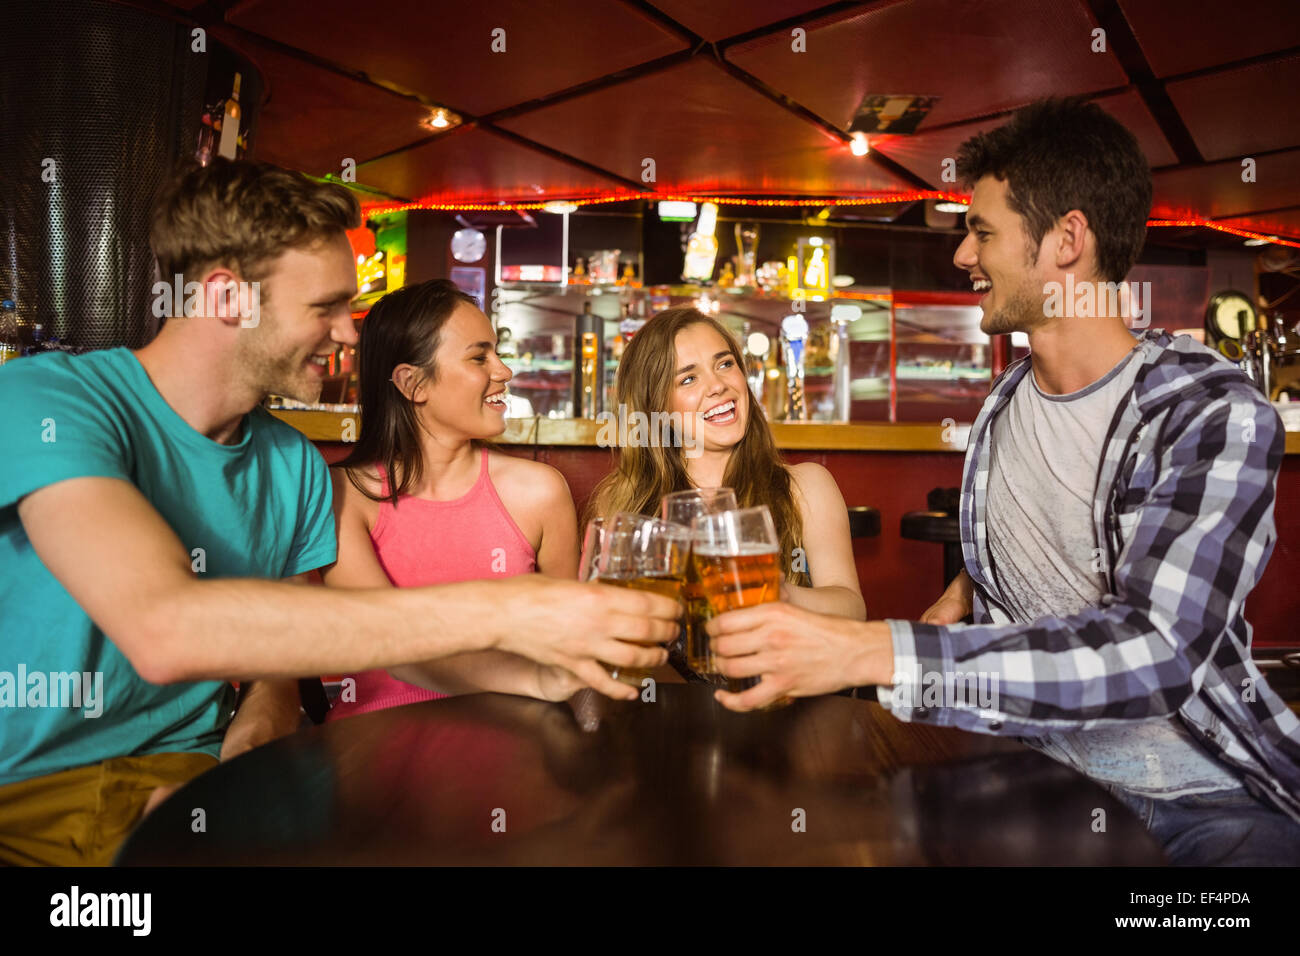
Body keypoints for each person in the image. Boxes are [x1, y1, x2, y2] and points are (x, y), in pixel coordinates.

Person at [0, 159, 676, 866]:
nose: (350, 333)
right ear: (228, 297)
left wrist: (544, 677)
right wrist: (513, 608)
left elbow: (321, 646)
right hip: (25, 794)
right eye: (325, 307)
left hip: (190, 780)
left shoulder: (290, 463)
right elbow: (163, 627)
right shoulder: (50, 402)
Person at [706, 97, 1300, 865]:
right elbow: (1020, 574)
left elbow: (1156, 651)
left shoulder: (1211, 413)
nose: (961, 254)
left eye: (981, 230)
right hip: (1035, 777)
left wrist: (870, 652)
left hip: (1202, 800)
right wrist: (959, 600)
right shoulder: (1001, 407)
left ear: (1068, 241)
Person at [323, 279, 584, 718]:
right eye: (479, 357)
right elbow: (391, 640)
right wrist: (537, 679)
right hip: (375, 745)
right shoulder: (344, 496)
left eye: (496, 354)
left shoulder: (540, 491)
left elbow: (568, 643)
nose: (503, 371)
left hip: (515, 740)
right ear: (412, 384)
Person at [586, 307, 865, 620]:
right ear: (655, 406)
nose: (718, 385)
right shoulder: (622, 500)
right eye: (688, 378)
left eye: (725, 364)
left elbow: (851, 608)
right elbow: (602, 621)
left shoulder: (805, 485)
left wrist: (780, 592)